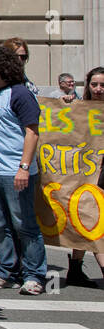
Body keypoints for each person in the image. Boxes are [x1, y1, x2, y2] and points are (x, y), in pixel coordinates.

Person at [0, 43, 46, 295]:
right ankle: (7, 271)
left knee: (24, 224)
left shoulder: (21, 94)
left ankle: (34, 275)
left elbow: (32, 132)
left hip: (15, 171)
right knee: (1, 223)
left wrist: (24, 168)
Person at [68, 66, 104, 287]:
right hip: (85, 171)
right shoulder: (79, 108)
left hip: (103, 170)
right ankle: (79, 268)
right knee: (88, 218)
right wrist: (66, 107)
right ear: (88, 86)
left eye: (103, 85)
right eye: (94, 85)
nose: (99, 89)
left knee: (93, 220)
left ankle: (75, 268)